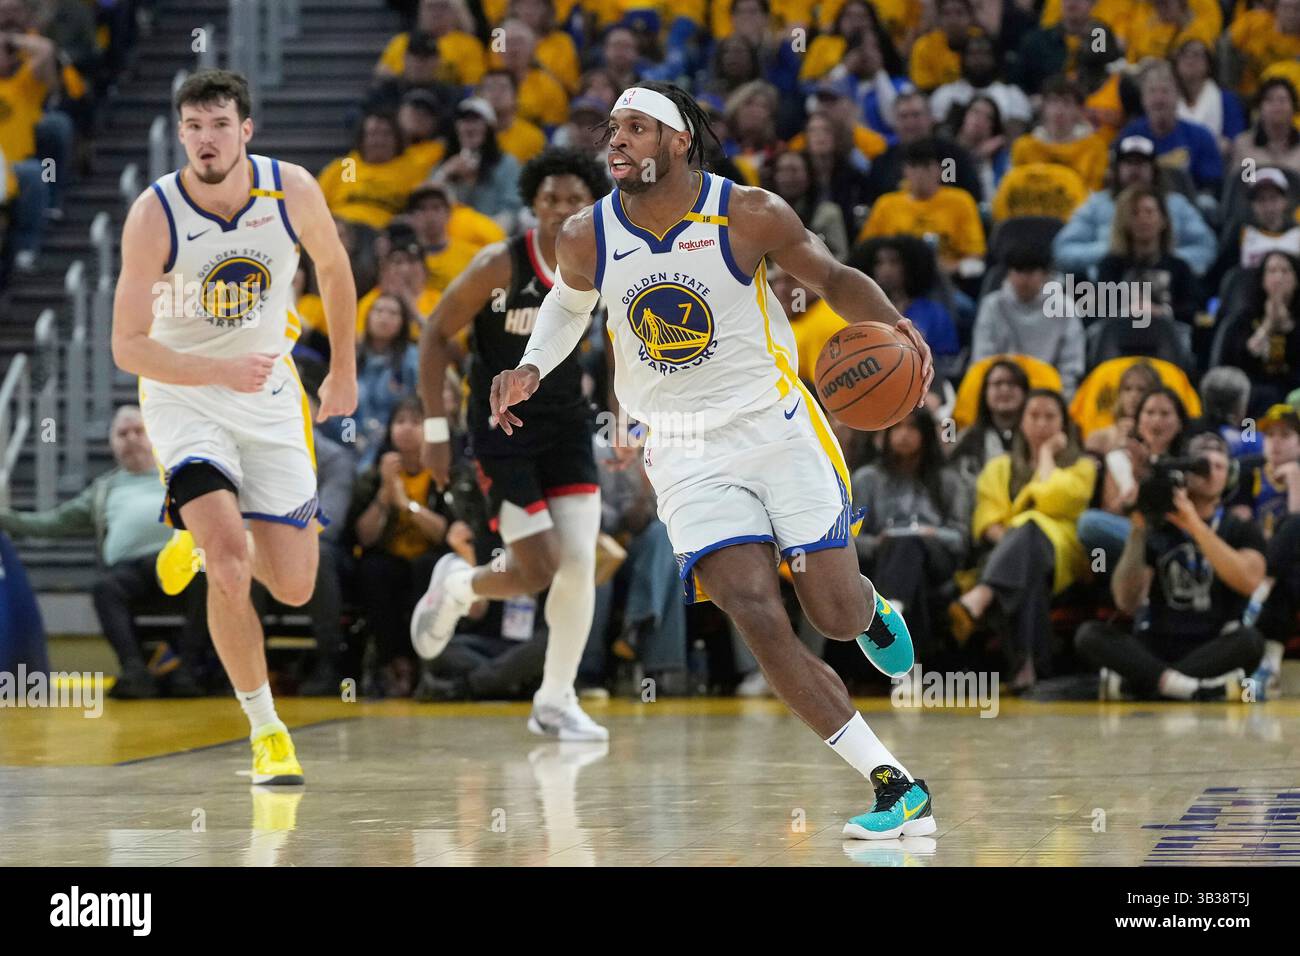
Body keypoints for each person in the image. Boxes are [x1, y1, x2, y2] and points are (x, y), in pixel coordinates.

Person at [488, 82, 940, 839]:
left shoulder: (750, 213)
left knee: (830, 612)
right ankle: (894, 782)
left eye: (637, 128)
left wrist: (896, 325)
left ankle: (869, 608)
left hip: (777, 426)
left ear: (678, 141)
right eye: (614, 128)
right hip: (684, 448)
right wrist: (531, 366)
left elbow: (829, 279)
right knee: (757, 613)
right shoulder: (585, 235)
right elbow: (568, 306)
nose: (618, 141)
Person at [112, 70, 358, 785]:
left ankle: (198, 544)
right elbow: (128, 346)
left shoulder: (292, 189)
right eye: (193, 126)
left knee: (295, 588)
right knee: (228, 564)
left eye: (219, 124)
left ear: (245, 130)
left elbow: (336, 270)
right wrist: (216, 373)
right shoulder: (154, 213)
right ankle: (267, 730)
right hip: (185, 395)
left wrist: (340, 372)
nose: (205, 139)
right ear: (180, 133)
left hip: (270, 395)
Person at [415, 147, 611, 741]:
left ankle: (555, 700)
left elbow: (627, 344)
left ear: (592, 207)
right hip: (502, 431)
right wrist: (434, 429)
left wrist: (627, 420)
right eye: (549, 198)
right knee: (537, 570)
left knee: (578, 567)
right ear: (532, 204)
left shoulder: (605, 263)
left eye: (574, 199)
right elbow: (433, 334)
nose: (560, 209)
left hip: (570, 426)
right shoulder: (499, 263)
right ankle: (456, 586)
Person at [0, 407, 206, 698]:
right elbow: (50, 523)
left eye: (139, 431)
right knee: (104, 588)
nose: (131, 439)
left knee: (208, 577)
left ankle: (188, 668)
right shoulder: (104, 490)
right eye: (123, 434)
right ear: (112, 443)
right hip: (130, 572)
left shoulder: (180, 476)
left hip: (180, 564)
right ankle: (134, 670)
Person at [1075, 432, 1267, 700]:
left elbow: (1248, 581)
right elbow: (1126, 601)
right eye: (1200, 464)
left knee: (1251, 642)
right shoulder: (1160, 525)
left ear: (1229, 478)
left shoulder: (1240, 528)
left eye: (1219, 466)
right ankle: (1190, 688)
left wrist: (1194, 524)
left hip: (1212, 643)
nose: (1208, 472)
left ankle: (1146, 684)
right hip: (1157, 640)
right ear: (1184, 471)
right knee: (1089, 634)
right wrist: (1138, 529)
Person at [950, 389, 1096, 691]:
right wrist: (1016, 544)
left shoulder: (1083, 466)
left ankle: (984, 593)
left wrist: (1045, 455)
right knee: (1028, 565)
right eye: (1034, 415)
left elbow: (1051, 499)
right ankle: (1029, 668)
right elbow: (987, 520)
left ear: (1063, 424)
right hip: (1013, 554)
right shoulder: (999, 466)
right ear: (1022, 422)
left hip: (1064, 553)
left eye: (1050, 416)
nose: (1041, 423)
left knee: (1031, 525)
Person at [349, 397, 468, 697]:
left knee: (426, 567)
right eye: (400, 421)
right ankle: (393, 663)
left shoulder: (447, 473)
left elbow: (449, 533)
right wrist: (385, 497)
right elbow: (364, 537)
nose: (406, 429)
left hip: (433, 559)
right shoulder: (376, 475)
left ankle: (426, 662)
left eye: (416, 422)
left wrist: (408, 506)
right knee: (374, 569)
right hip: (391, 559)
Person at [852, 408, 971, 666]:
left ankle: (891, 611)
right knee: (903, 550)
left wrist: (932, 533)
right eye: (897, 427)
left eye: (912, 427)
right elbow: (850, 540)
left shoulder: (947, 480)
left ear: (926, 434)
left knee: (909, 544)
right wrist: (878, 542)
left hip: (936, 559)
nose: (904, 435)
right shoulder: (866, 479)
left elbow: (961, 539)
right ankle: (908, 656)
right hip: (881, 559)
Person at [1052, 134, 1216, 279]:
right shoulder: (1096, 204)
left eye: (1142, 163)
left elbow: (1206, 247)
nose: (1134, 169)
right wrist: (1114, 251)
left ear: (1154, 169)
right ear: (1116, 169)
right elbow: (1063, 250)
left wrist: (1164, 260)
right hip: (1110, 285)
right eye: (1128, 163)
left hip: (1168, 290)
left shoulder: (1176, 204)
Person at [1078, 386, 1190, 569]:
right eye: (1150, 413)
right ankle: (1104, 578)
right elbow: (1110, 512)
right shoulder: (1118, 458)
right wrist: (1136, 484)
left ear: (1179, 423)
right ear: (1138, 421)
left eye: (1165, 414)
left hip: (1175, 534)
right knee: (1090, 524)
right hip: (1131, 533)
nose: (1156, 421)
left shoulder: (1185, 462)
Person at [857, 137, 987, 280]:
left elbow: (975, 254)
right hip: (894, 280)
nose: (919, 173)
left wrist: (945, 268)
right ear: (904, 170)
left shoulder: (961, 201)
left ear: (940, 169)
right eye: (913, 166)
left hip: (945, 279)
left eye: (926, 166)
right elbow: (865, 251)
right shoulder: (886, 204)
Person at [970, 242, 1085, 397]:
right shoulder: (992, 306)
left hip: (1050, 393)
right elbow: (982, 361)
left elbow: (1071, 365)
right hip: (1001, 391)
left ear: (1045, 275)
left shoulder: (1064, 307)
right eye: (1018, 271)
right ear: (1008, 273)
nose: (1023, 278)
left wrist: (1060, 400)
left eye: (1030, 272)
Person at [1095, 185, 1199, 329]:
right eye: (1135, 213)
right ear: (1125, 222)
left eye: (1149, 212)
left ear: (1163, 220)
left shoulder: (1179, 267)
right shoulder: (1110, 266)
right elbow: (1102, 311)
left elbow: (1190, 312)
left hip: (1168, 340)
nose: (1143, 219)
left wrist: (1161, 312)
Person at [1118, 61, 1221, 197]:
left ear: (1177, 96)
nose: (1159, 99)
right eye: (1152, 91)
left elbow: (1211, 185)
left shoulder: (1201, 136)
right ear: (1143, 98)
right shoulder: (1129, 136)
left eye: (1165, 91)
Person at [1219, 251, 1300, 414]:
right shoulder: (1244, 318)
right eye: (1272, 271)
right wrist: (1268, 326)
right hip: (1254, 389)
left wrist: (1288, 329)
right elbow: (1239, 360)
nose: (1278, 278)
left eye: (1285, 271)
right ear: (1262, 279)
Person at [428, 97, 523, 231]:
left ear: (489, 128)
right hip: (452, 236)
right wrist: (445, 173)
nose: (470, 127)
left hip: (492, 235)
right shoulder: (444, 164)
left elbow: (511, 211)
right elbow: (427, 202)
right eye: (464, 121)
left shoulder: (507, 164)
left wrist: (483, 232)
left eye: (476, 120)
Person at [1205, 167, 1300, 297]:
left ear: (1285, 201)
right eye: (1261, 200)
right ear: (1252, 205)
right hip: (1248, 299)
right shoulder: (1240, 232)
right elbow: (1221, 272)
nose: (1268, 207)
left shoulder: (1297, 232)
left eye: (1273, 198)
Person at [949, 359, 1029, 483]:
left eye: (1012, 383)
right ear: (985, 392)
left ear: (1025, 392)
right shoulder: (967, 439)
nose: (1004, 389)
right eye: (997, 383)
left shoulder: (1037, 438)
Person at [1229, 403, 1300, 539]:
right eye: (1269, 434)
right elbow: (1239, 526)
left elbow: (1296, 532)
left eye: (1285, 435)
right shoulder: (1249, 471)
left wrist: (1294, 480)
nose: (1275, 441)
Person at [1082, 360, 1162, 455]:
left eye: (1141, 389)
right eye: (1127, 389)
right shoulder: (1100, 439)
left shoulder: (1163, 436)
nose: (1133, 396)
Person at [1229, 77, 1300, 176]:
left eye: (1282, 100)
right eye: (1269, 100)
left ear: (1294, 108)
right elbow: (1241, 186)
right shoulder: (1244, 145)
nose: (1276, 105)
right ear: (1259, 108)